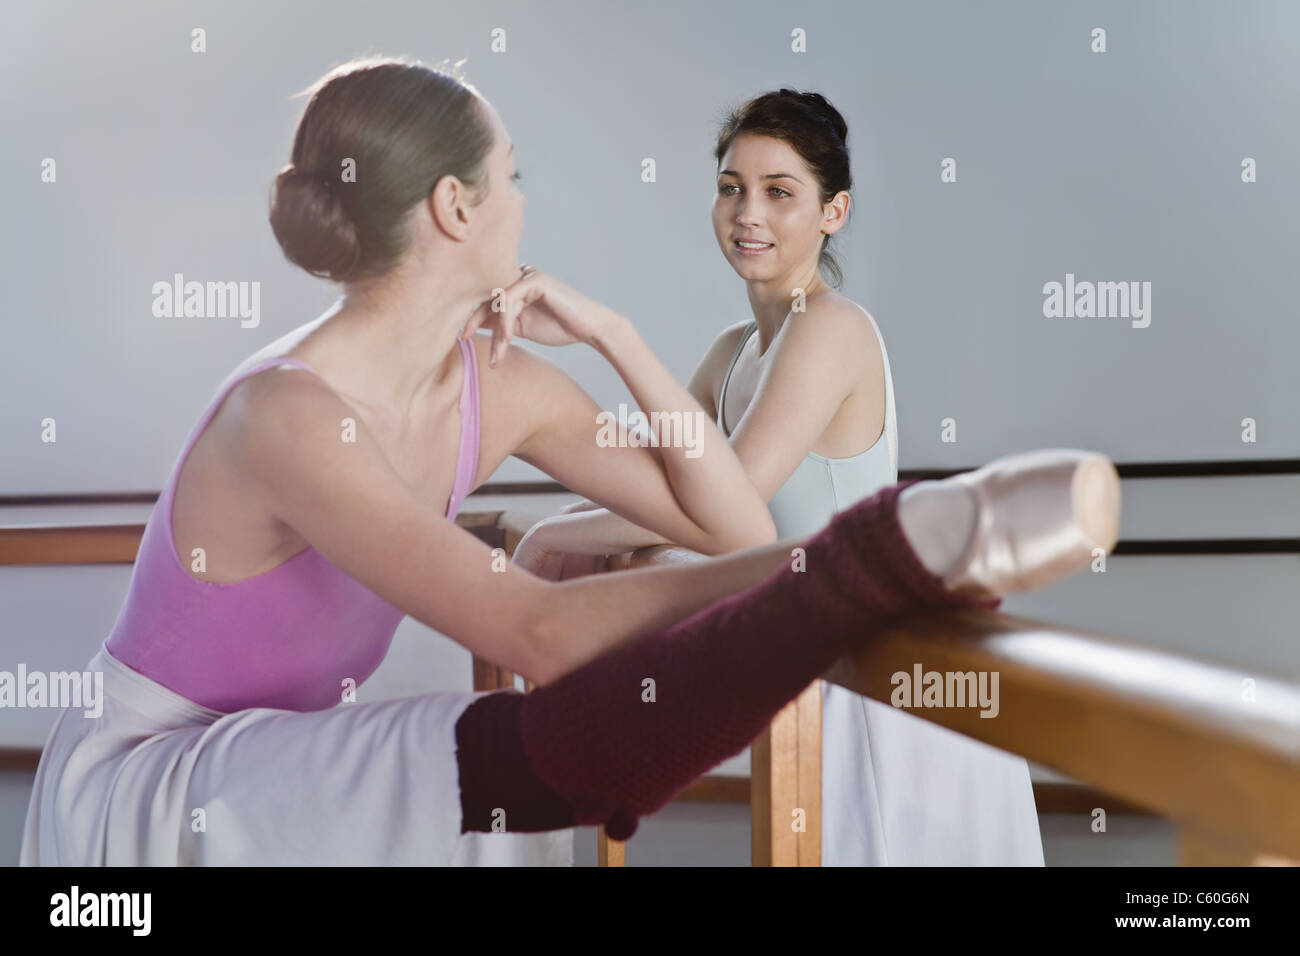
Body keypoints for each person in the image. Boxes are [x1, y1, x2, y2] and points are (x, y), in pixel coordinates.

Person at [19, 55, 1120, 866]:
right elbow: (535, 630)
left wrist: (611, 337)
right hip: (149, 788)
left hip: (274, 756)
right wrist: (853, 565)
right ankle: (885, 561)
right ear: (456, 207)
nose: (526, 199)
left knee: (476, 775)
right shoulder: (286, 417)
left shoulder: (504, 387)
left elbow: (727, 522)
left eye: (777, 191)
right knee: (472, 763)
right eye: (512, 176)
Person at [510, 89, 1047, 865]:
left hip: (882, 680)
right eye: (732, 188)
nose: (747, 213)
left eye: (779, 192)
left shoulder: (833, 328)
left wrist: (554, 532)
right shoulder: (732, 351)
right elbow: (656, 486)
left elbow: (735, 500)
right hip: (811, 662)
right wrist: (552, 517)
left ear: (834, 212)